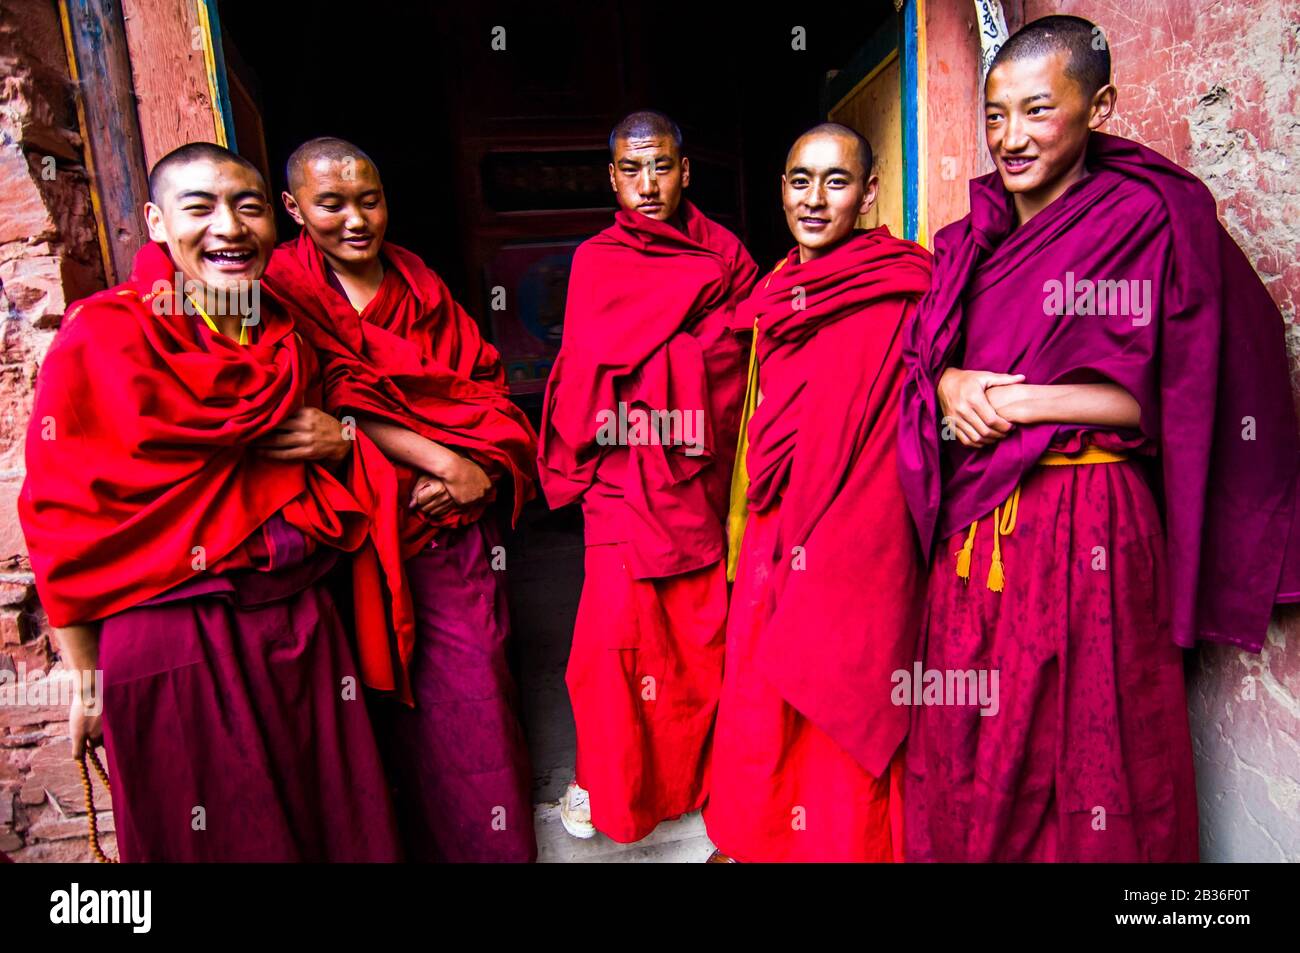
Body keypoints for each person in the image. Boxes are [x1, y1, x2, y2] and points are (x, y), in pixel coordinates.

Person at [897, 15, 1300, 861]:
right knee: (973, 733)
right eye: (996, 114)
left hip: (1091, 517)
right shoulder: (971, 237)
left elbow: (1175, 401)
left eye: (1039, 111)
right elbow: (930, 359)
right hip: (977, 532)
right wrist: (949, 383)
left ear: (1101, 105)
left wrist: (1021, 399)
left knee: (1093, 737)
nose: (1011, 137)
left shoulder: (1146, 216)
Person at [19, 142, 402, 861]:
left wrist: (339, 439)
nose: (228, 226)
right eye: (200, 208)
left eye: (247, 207)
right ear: (158, 223)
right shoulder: (104, 336)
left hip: (299, 622)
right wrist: (87, 679)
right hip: (172, 633)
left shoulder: (284, 335)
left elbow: (342, 446)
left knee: (332, 822)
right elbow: (57, 518)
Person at [265, 137, 539, 862]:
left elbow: (481, 386)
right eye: (332, 204)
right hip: (350, 535)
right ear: (293, 208)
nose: (357, 219)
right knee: (358, 715)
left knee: (473, 688)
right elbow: (304, 409)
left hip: (447, 537)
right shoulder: (275, 289)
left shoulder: (420, 284)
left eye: (370, 199)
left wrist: (475, 467)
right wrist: (443, 458)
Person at [703, 124, 932, 862]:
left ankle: (847, 846)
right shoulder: (778, 289)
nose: (814, 198)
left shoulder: (901, 281)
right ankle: (765, 837)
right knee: (764, 687)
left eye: (837, 181)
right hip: (775, 520)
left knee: (843, 678)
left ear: (868, 194)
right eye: (800, 179)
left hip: (858, 528)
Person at [538, 110, 758, 842]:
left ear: (685, 170)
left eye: (661, 166)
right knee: (608, 651)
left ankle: (691, 779)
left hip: (695, 480)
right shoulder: (598, 260)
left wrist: (660, 373)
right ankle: (613, 782)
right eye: (631, 171)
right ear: (612, 178)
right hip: (623, 483)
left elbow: (742, 360)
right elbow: (582, 375)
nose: (648, 184)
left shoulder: (724, 254)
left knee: (696, 644)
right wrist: (665, 370)